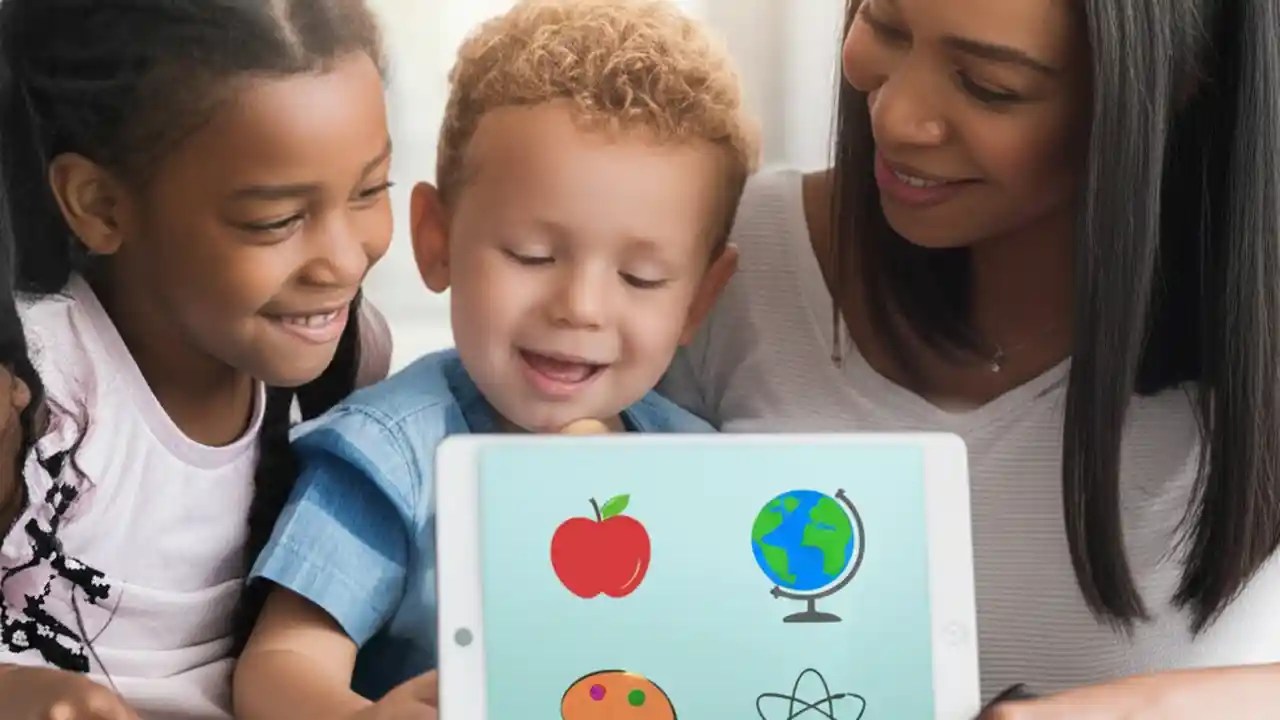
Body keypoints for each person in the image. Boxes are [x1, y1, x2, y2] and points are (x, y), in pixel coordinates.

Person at [658, 0, 1280, 716]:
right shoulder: (706, 261)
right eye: (885, 26)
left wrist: (1142, 709)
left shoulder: (1249, 351)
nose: (893, 117)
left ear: (1174, 83)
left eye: (990, 85)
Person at [231, 1, 758, 718]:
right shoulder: (393, 460)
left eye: (640, 279)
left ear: (699, 300)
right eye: (532, 256)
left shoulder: (701, 470)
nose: (581, 306)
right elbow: (278, 667)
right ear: (436, 239)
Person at [0, 1, 396, 718]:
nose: (343, 260)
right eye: (275, 220)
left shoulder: (349, 358)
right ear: (101, 204)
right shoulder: (37, 395)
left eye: (371, 191)